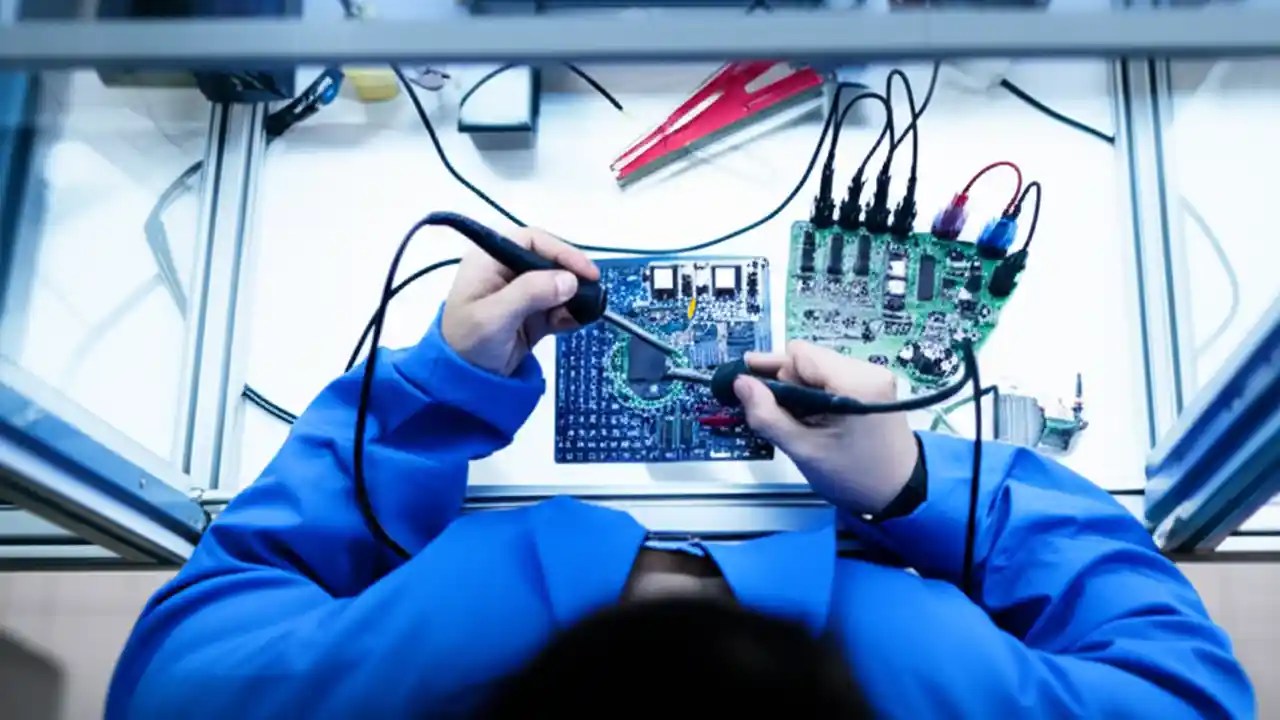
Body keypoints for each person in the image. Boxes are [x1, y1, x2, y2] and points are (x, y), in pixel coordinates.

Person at [107, 228, 1253, 719]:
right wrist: (911, 480)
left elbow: (184, 661)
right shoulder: (938, 681)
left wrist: (429, 395)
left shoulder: (352, 687)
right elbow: (1187, 689)